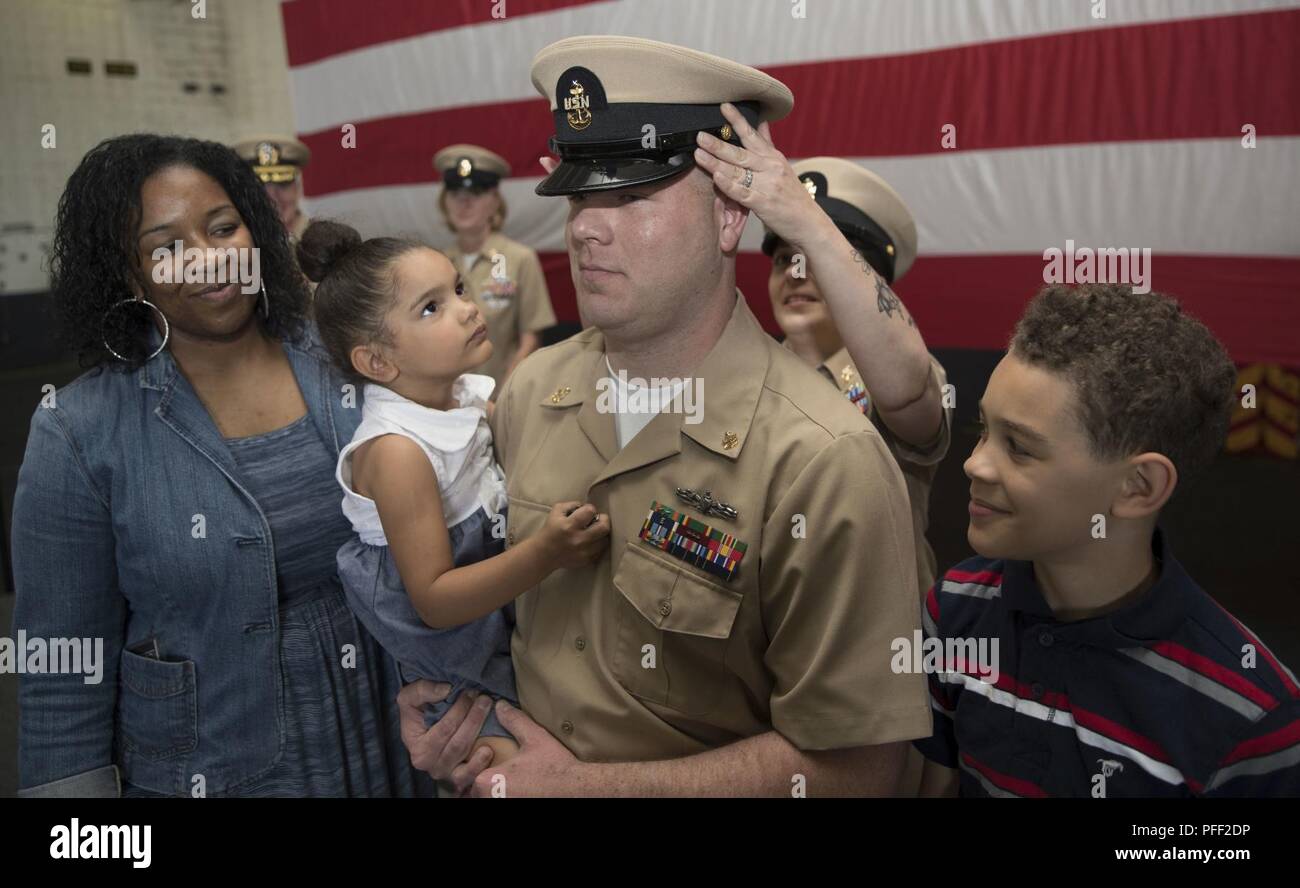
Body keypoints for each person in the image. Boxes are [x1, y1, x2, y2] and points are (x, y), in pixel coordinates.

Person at [398, 35, 931, 797]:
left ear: (727, 218)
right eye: (581, 194)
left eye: (630, 195)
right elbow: (507, 623)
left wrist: (580, 789)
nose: (585, 228)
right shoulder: (529, 391)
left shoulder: (821, 458)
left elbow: (857, 769)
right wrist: (458, 712)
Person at [12, 134, 425, 797]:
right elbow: (63, 678)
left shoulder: (343, 353)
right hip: (219, 771)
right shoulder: (79, 431)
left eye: (222, 227)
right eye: (167, 246)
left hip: (398, 748)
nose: (206, 260)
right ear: (129, 272)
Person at [914, 283, 1300, 797]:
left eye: (1020, 448)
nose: (974, 463)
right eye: (982, 428)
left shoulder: (1253, 714)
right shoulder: (953, 611)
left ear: (1139, 486)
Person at [298, 219, 610, 768]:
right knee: (520, 774)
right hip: (458, 674)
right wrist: (547, 552)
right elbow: (437, 601)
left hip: (499, 629)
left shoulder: (461, 397)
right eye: (430, 308)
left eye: (459, 289)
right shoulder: (398, 452)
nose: (466, 308)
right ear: (377, 362)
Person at [755, 155, 949, 602]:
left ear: (870, 283)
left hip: (877, 632)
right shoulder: (740, 375)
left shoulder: (903, 381)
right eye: (784, 258)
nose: (795, 274)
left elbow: (912, 402)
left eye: (819, 259)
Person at [434, 144, 556, 388]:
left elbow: (530, 340)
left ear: (494, 202)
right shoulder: (435, 264)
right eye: (455, 193)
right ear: (444, 201)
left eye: (476, 193)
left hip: (503, 396)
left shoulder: (520, 258)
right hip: (447, 401)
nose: (464, 202)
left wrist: (503, 396)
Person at [233, 134, 311, 241]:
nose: (272, 198)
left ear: (297, 189)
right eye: (259, 186)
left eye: (282, 184)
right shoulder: (234, 246)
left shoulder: (320, 241)